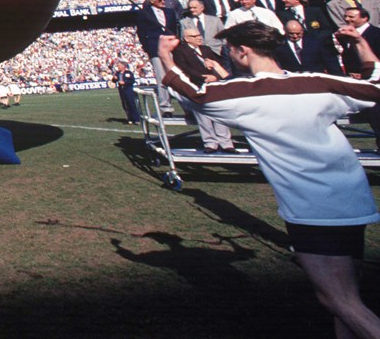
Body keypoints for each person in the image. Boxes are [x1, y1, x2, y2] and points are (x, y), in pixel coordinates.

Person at [158, 22, 380, 338]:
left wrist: (165, 56)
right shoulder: (318, 83)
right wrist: (360, 43)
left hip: (312, 209)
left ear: (243, 51)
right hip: (353, 200)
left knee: (339, 300)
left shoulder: (241, 94)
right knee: (347, 298)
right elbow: (375, 85)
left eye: (230, 51)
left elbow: (192, 94)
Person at [136, 0, 182, 115]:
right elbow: (141, 32)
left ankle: (186, 105)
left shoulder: (170, 12)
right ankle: (165, 106)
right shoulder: (144, 13)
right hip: (155, 48)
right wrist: (148, 47)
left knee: (176, 75)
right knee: (162, 77)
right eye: (160, 0)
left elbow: (174, 29)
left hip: (171, 47)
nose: (163, 2)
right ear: (152, 1)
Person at [277, 19, 343, 75]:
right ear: (285, 31)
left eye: (298, 33)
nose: (295, 36)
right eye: (291, 33)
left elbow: (331, 64)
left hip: (315, 79)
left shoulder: (315, 42)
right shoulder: (279, 45)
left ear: (302, 31)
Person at [113, 61, 139, 125]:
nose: (118, 67)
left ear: (123, 66)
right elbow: (114, 81)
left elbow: (132, 81)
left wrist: (125, 82)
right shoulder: (117, 73)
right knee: (125, 104)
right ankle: (129, 118)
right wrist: (114, 79)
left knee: (131, 104)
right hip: (121, 90)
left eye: (119, 65)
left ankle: (136, 119)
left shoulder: (129, 73)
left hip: (128, 90)